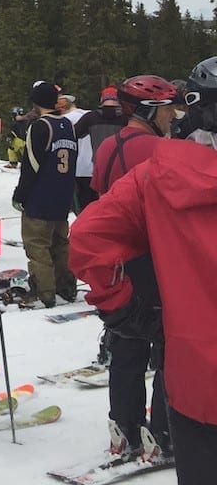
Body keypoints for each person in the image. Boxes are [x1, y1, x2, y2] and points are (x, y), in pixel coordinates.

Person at [69, 57, 217, 483]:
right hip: (161, 273)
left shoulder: (151, 166)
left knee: (130, 354)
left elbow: (89, 232)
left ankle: (127, 420)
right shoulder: (156, 158)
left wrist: (121, 309)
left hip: (194, 375)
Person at [86, 74, 180, 458]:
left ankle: (123, 426)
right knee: (168, 347)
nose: (174, 115)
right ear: (150, 111)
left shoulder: (108, 144)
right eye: (167, 109)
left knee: (127, 343)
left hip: (117, 259)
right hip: (153, 257)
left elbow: (95, 195)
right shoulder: (159, 149)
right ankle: (161, 430)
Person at [13, 82, 78, 308]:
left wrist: (20, 194)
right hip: (62, 196)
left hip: (40, 198)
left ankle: (44, 291)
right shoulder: (68, 126)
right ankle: (66, 285)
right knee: (60, 244)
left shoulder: (40, 126)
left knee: (37, 246)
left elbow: (31, 165)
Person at [73, 87, 126, 211]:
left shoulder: (91, 117)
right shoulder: (126, 118)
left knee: (99, 205)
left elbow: (73, 134)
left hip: (99, 167)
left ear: (102, 99)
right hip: (122, 167)